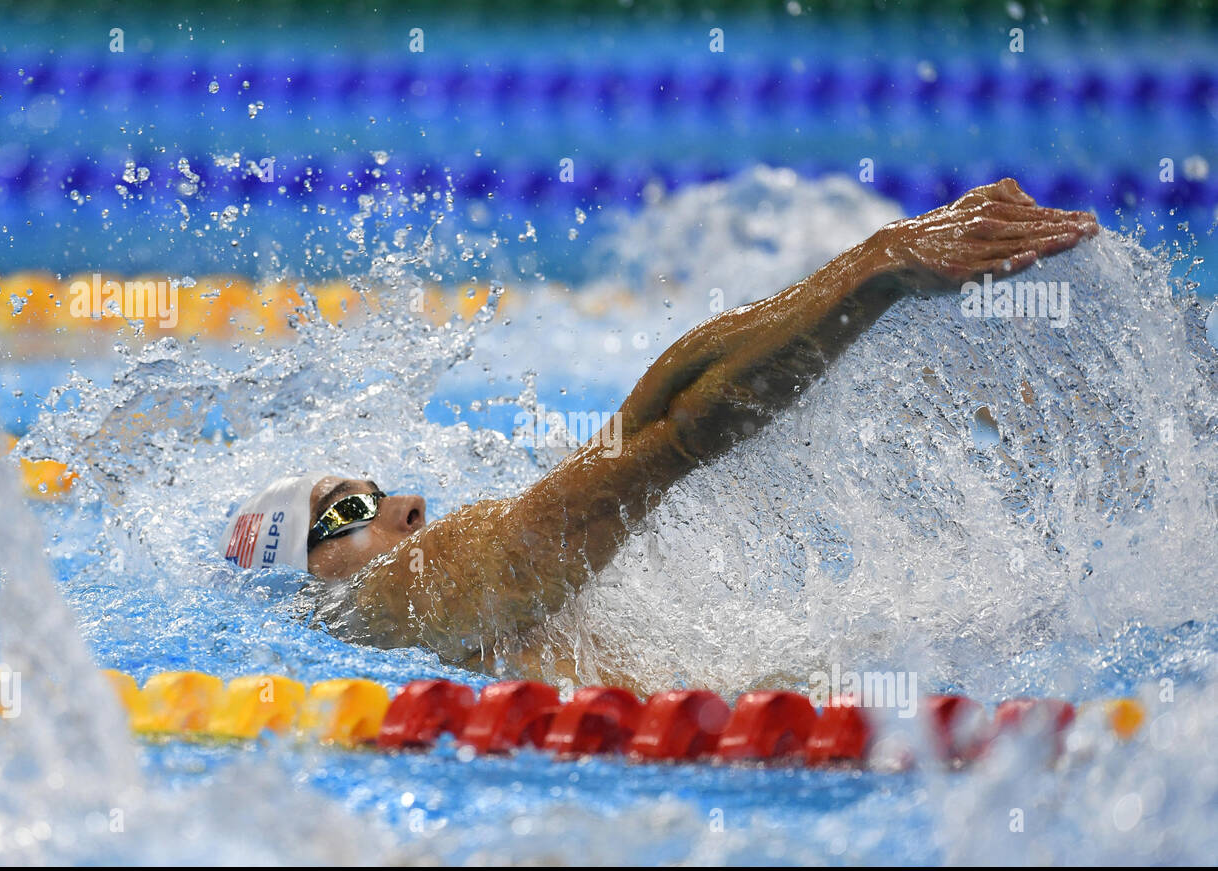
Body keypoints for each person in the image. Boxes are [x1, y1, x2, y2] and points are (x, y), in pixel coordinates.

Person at [219, 179, 1098, 687]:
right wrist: (873, 271)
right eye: (348, 512)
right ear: (301, 582)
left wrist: (873, 263)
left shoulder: (446, 610)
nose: (407, 507)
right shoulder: (390, 601)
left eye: (377, 491)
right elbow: (668, 438)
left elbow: (646, 425)